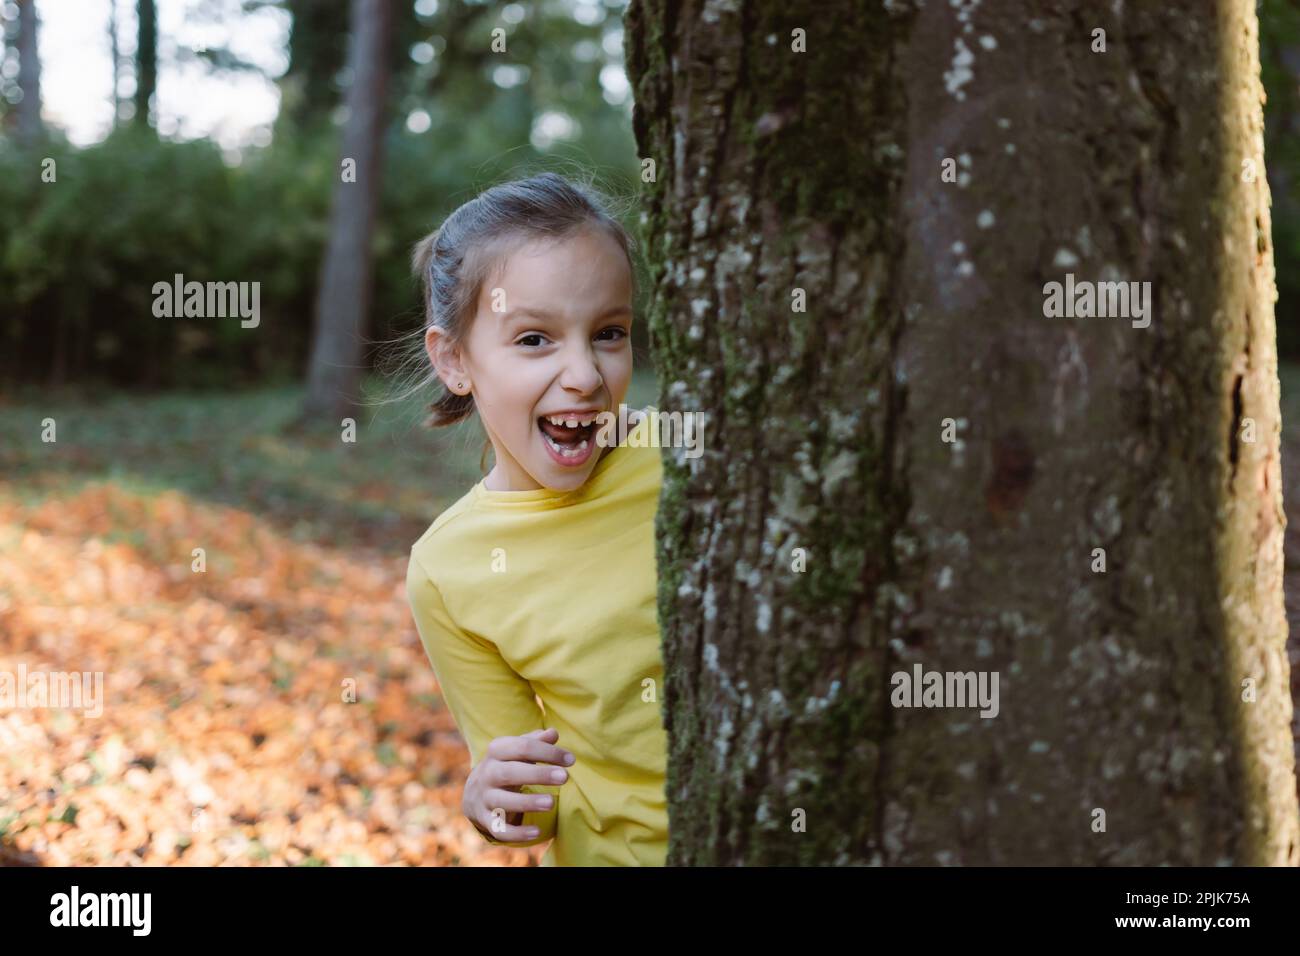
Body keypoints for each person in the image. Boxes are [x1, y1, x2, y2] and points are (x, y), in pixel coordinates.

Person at [404, 172, 667, 866]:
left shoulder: (686, 456)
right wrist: (492, 801)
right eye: (534, 340)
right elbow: (528, 795)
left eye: (608, 332)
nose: (584, 373)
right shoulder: (447, 570)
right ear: (454, 360)